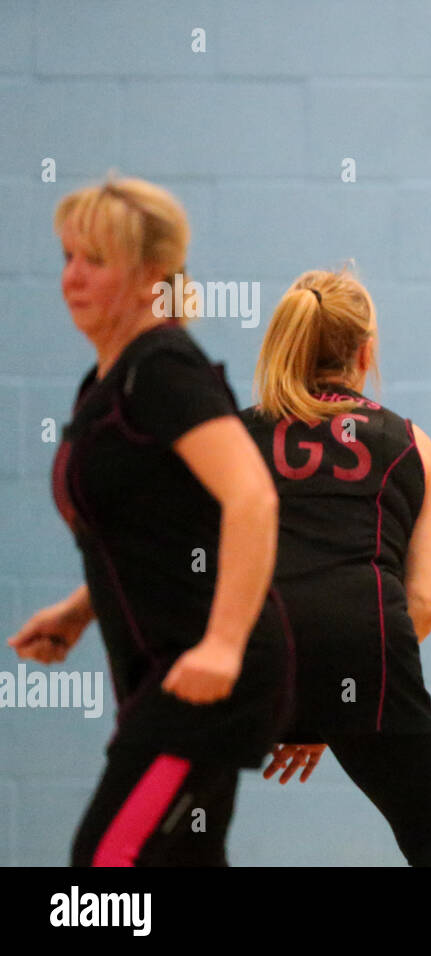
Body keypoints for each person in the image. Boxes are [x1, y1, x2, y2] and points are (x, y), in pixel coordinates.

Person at [7, 176, 291, 866]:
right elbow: (156, 532)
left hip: (209, 674)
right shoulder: (105, 382)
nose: (72, 277)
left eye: (95, 260)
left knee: (108, 865)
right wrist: (80, 612)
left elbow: (252, 498)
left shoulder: (163, 369)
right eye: (67, 257)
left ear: (150, 278)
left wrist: (222, 645)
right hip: (161, 667)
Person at [240, 267, 431, 866]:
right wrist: (339, 695)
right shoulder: (412, 443)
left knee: (178, 823)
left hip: (255, 646)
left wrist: (297, 694)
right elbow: (425, 603)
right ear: (366, 351)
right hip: (365, 640)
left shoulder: (233, 438)